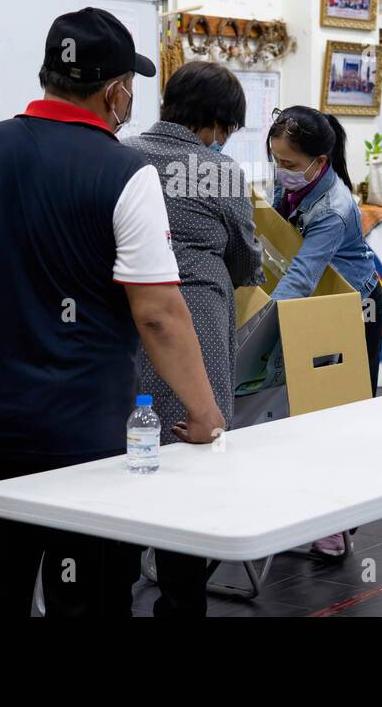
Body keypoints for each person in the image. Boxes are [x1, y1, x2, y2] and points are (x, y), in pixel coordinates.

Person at [0, 8, 225, 618]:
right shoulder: (126, 172)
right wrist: (203, 409)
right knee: (87, 599)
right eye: (129, 86)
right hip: (87, 434)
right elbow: (160, 313)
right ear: (113, 91)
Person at [123, 60, 263, 618]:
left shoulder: (123, 153)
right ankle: (181, 601)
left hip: (125, 319)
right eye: (227, 127)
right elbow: (246, 260)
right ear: (214, 122)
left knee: (127, 457)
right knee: (193, 467)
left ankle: (113, 581)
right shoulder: (219, 170)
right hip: (196, 320)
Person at [265, 105, 381, 558]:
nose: (281, 172)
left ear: (319, 162)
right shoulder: (289, 179)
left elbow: (300, 277)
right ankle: (300, 507)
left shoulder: (334, 207)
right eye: (276, 161)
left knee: (342, 415)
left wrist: (256, 324)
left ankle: (337, 523)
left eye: (290, 165)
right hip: (315, 301)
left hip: (354, 307)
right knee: (300, 411)